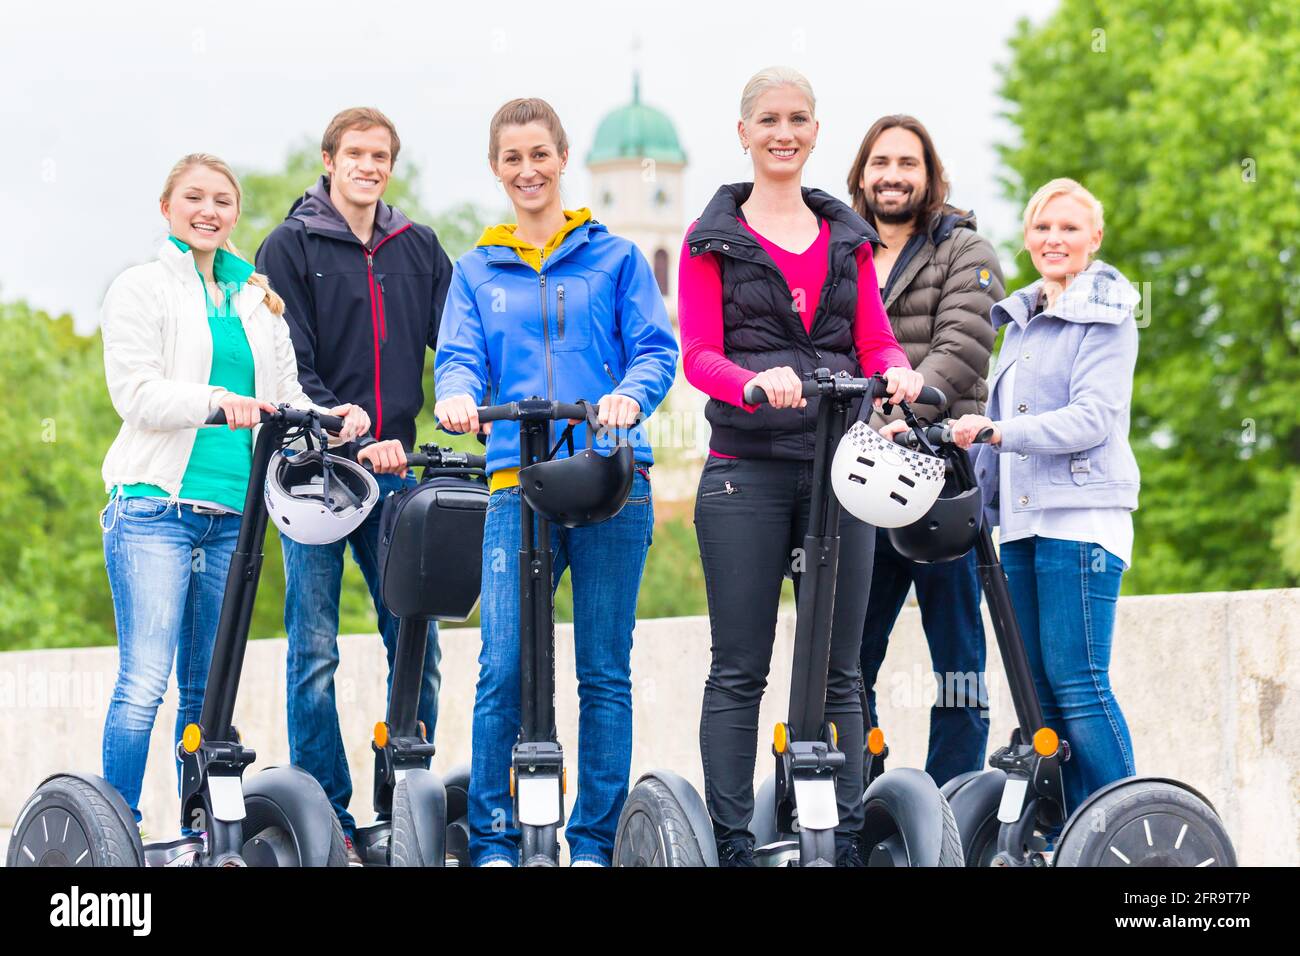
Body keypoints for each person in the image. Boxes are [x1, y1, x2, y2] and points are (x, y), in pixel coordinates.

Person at [679, 67, 923, 867]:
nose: (785, 132)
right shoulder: (709, 240)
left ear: (816, 133)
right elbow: (699, 355)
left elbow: (875, 338)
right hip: (742, 472)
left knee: (840, 671)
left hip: (838, 472)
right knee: (740, 667)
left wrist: (897, 370)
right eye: (769, 120)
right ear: (743, 132)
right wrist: (753, 381)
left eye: (800, 119)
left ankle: (842, 844)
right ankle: (734, 844)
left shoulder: (848, 238)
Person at [434, 97, 678, 867]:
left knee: (603, 669)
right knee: (501, 664)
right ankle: (496, 841)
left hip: (609, 480)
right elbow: (460, 356)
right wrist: (458, 394)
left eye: (539, 153)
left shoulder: (613, 259)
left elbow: (653, 348)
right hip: (516, 482)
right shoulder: (476, 270)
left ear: (563, 158)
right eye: (512, 158)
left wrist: (628, 397)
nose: (527, 169)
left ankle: (596, 841)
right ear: (496, 169)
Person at [99, 153, 368, 833]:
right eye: (195, 198)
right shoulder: (140, 289)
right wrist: (219, 401)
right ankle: (116, 830)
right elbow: (137, 393)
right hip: (155, 509)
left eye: (223, 200)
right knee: (144, 684)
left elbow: (285, 398)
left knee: (206, 692)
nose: (209, 211)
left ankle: (197, 834)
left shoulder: (257, 298)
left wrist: (335, 423)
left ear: (235, 214)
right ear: (168, 208)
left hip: (231, 519)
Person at [255, 107, 453, 860]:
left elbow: (455, 342)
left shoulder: (418, 247)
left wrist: (450, 412)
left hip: (395, 471)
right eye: (356, 154)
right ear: (329, 160)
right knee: (313, 648)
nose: (368, 166)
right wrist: (335, 422)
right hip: (311, 471)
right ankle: (325, 813)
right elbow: (286, 362)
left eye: (381, 156)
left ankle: (403, 791)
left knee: (415, 642)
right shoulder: (290, 244)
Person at [915, 177, 1140, 815]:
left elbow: (1092, 419)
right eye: (1043, 228)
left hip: (1079, 521)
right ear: (1027, 238)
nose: (1054, 239)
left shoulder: (1109, 316)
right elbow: (991, 433)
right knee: (1037, 691)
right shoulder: (1018, 320)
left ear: (1094, 238)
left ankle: (1122, 824)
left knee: (1079, 682)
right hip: (1014, 526)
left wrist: (999, 430)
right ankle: (1072, 831)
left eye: (1070, 228)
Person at [846, 115, 1004, 786]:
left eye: (907, 164)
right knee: (848, 662)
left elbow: (964, 347)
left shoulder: (968, 251)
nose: (893, 176)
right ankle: (868, 800)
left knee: (960, 665)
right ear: (860, 177)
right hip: (858, 483)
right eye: (880, 163)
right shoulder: (839, 254)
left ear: (931, 177)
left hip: (941, 481)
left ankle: (951, 806)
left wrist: (908, 410)